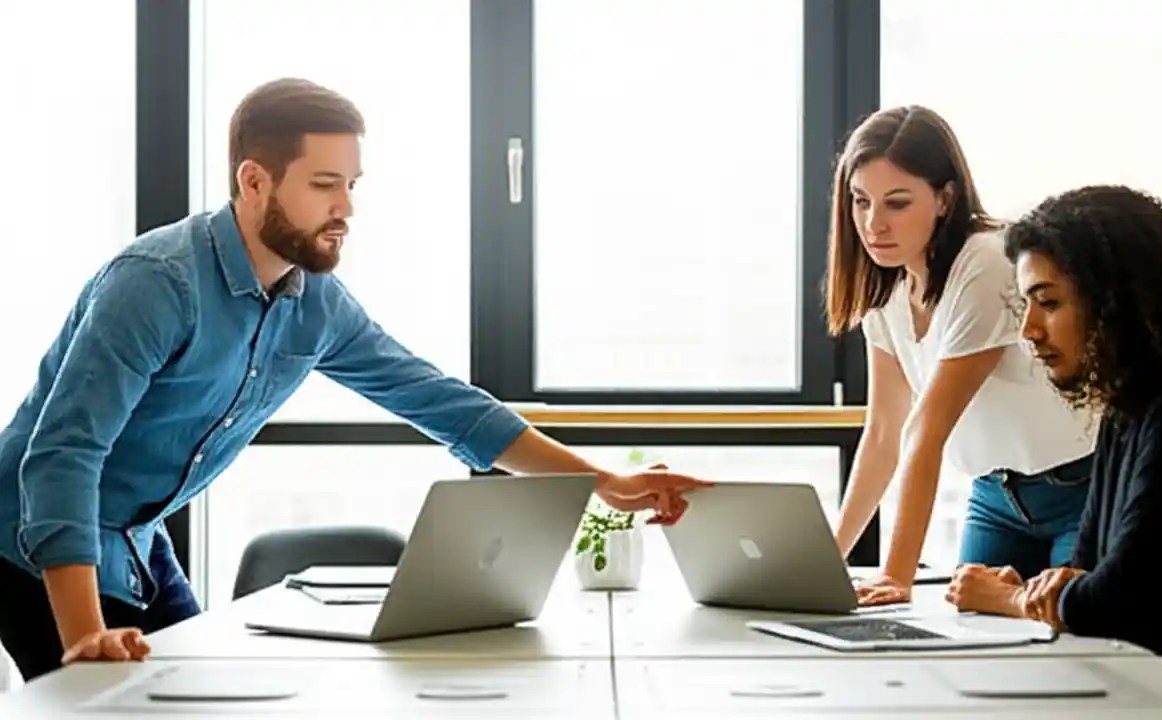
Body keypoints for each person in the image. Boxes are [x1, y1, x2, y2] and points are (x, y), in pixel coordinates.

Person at [0, 77, 710, 682]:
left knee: (196, 699)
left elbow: (444, 405)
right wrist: (83, 637)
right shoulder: (156, 286)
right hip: (33, 544)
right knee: (109, 706)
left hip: (137, 538)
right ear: (253, 181)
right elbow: (64, 455)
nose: (346, 208)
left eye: (351, 185)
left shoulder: (315, 304)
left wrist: (601, 485)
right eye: (323, 185)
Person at [946, 184, 1162, 701]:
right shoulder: (1131, 406)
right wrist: (1047, 592)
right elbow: (1082, 571)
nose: (1030, 331)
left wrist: (1011, 598)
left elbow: (1121, 598)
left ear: (1115, 301)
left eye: (1049, 303)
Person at [825, 105, 1096, 606]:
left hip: (1078, 490)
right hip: (995, 497)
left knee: (1068, 643)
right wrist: (825, 565)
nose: (873, 224)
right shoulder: (886, 293)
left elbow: (927, 427)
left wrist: (896, 577)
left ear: (945, 198)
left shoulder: (987, 263)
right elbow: (884, 431)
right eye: (860, 202)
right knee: (976, 640)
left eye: (897, 203)